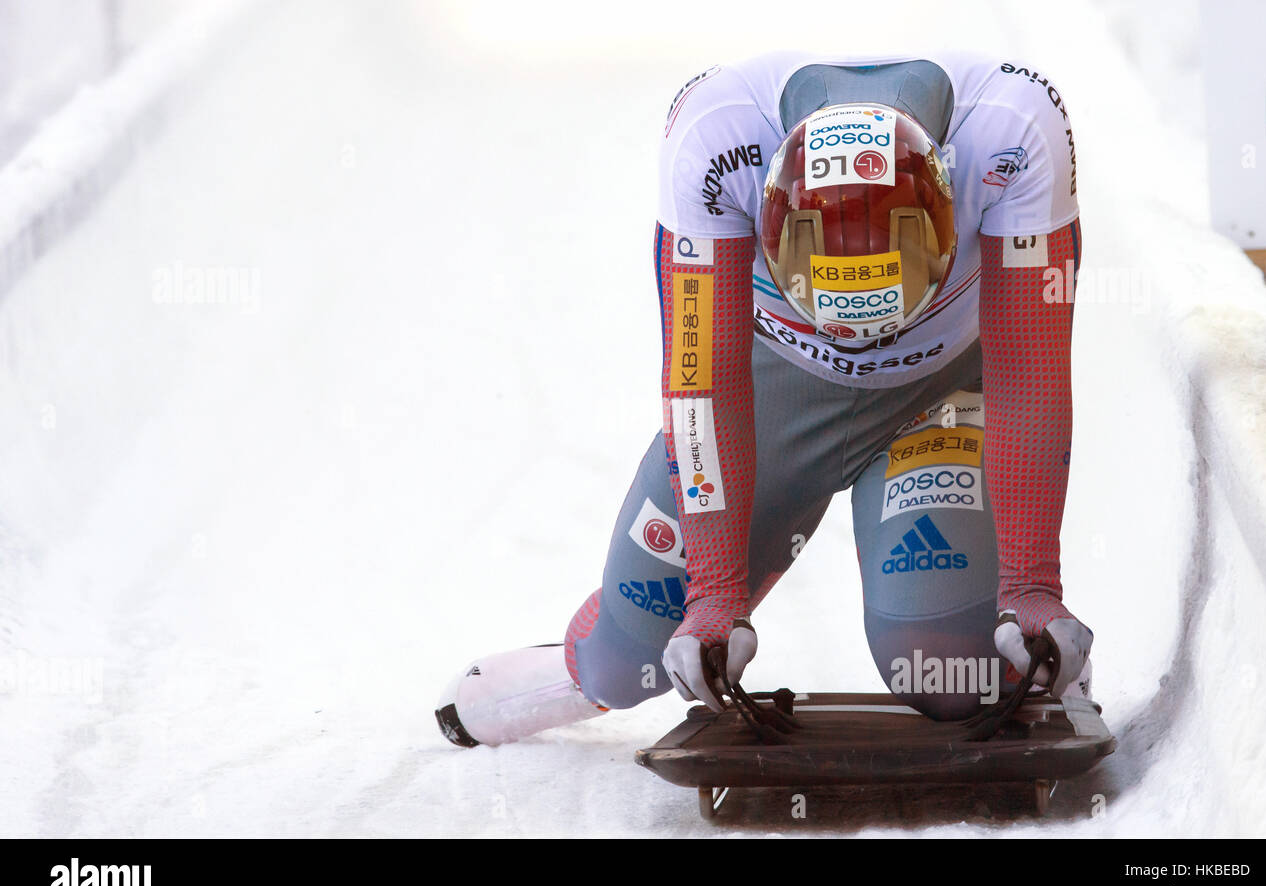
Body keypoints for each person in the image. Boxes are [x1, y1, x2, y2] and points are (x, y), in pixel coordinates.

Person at [437, 50, 1093, 748]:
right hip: (774, 387)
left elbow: (1030, 366)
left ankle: (1049, 665)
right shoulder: (713, 140)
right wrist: (714, 593)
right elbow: (703, 379)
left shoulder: (1014, 130)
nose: (862, 337)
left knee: (950, 670)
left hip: (940, 393)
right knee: (632, 662)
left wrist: (1030, 584)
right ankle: (585, 674)